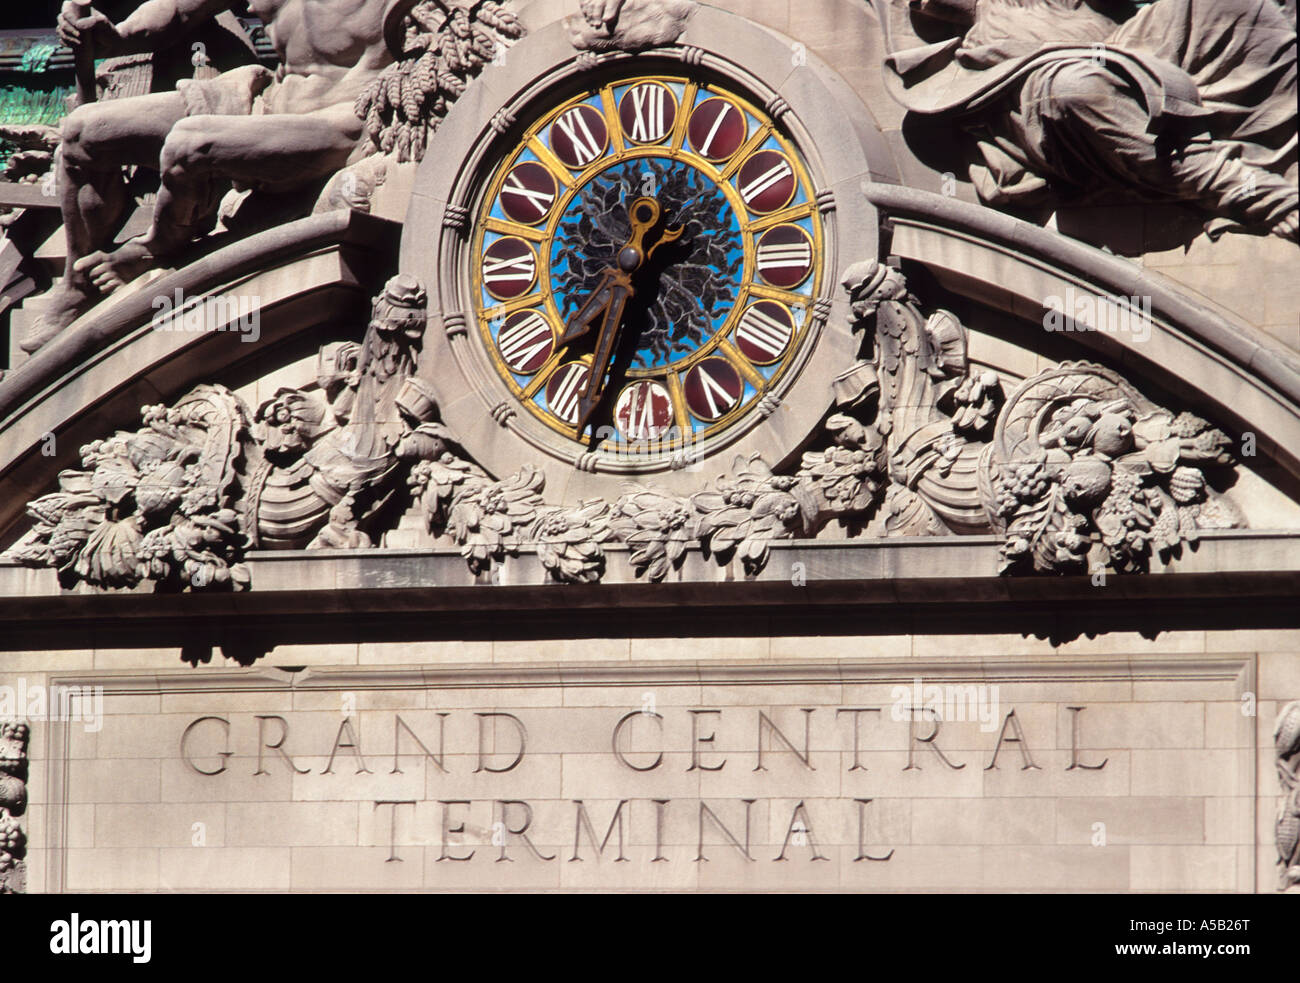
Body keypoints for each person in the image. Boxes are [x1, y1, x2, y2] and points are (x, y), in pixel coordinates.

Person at [25, 0, 391, 352]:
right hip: (269, 101)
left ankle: (152, 251)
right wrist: (115, 36)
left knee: (189, 144)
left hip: (342, 121)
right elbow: (178, 10)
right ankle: (78, 286)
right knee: (82, 132)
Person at [884, 0, 1298, 240]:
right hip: (1029, 81)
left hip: (1115, 43)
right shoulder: (989, 17)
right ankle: (1250, 193)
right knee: (1076, 90)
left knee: (1235, 9)